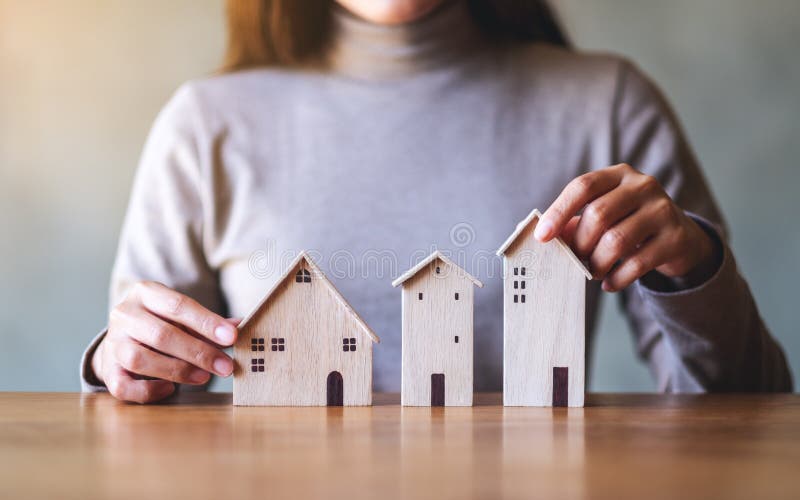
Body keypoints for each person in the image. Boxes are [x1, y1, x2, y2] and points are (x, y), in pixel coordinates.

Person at [80, 0, 792, 403]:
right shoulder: (205, 125)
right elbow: (134, 401)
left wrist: (697, 271)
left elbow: (748, 411)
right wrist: (122, 363)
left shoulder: (606, 104)